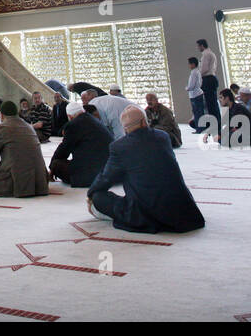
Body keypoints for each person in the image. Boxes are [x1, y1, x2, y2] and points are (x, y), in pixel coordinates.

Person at [88, 106, 205, 234]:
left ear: (125, 128)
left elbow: (107, 177)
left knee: (99, 197)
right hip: (182, 211)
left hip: (146, 213)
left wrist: (91, 194)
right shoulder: (163, 137)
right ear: (144, 122)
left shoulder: (119, 146)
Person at [0, 98, 49, 198]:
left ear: (2, 115)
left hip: (18, 182)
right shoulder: (28, 126)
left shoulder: (2, 128)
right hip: (40, 182)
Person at [49, 100, 112, 187]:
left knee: (57, 164)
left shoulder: (73, 125)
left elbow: (64, 149)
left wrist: (51, 167)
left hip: (90, 176)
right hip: (107, 172)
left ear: (70, 116)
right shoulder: (94, 120)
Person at [186, 56, 206, 133]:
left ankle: (200, 129)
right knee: (199, 112)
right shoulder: (197, 71)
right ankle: (201, 128)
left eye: (189, 64)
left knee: (197, 113)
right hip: (198, 93)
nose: (189, 66)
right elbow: (200, 83)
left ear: (193, 64)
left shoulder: (194, 72)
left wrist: (187, 88)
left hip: (195, 95)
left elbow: (192, 85)